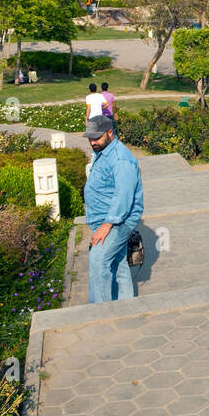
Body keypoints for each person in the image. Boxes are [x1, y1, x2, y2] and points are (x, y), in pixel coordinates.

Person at [83, 115, 144, 302]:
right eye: (90, 138)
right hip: (105, 220)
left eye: (97, 137)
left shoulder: (120, 159)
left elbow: (123, 197)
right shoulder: (104, 151)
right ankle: (126, 307)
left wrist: (107, 224)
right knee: (118, 264)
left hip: (118, 222)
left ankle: (99, 313)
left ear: (110, 132)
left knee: (98, 260)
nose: (93, 142)